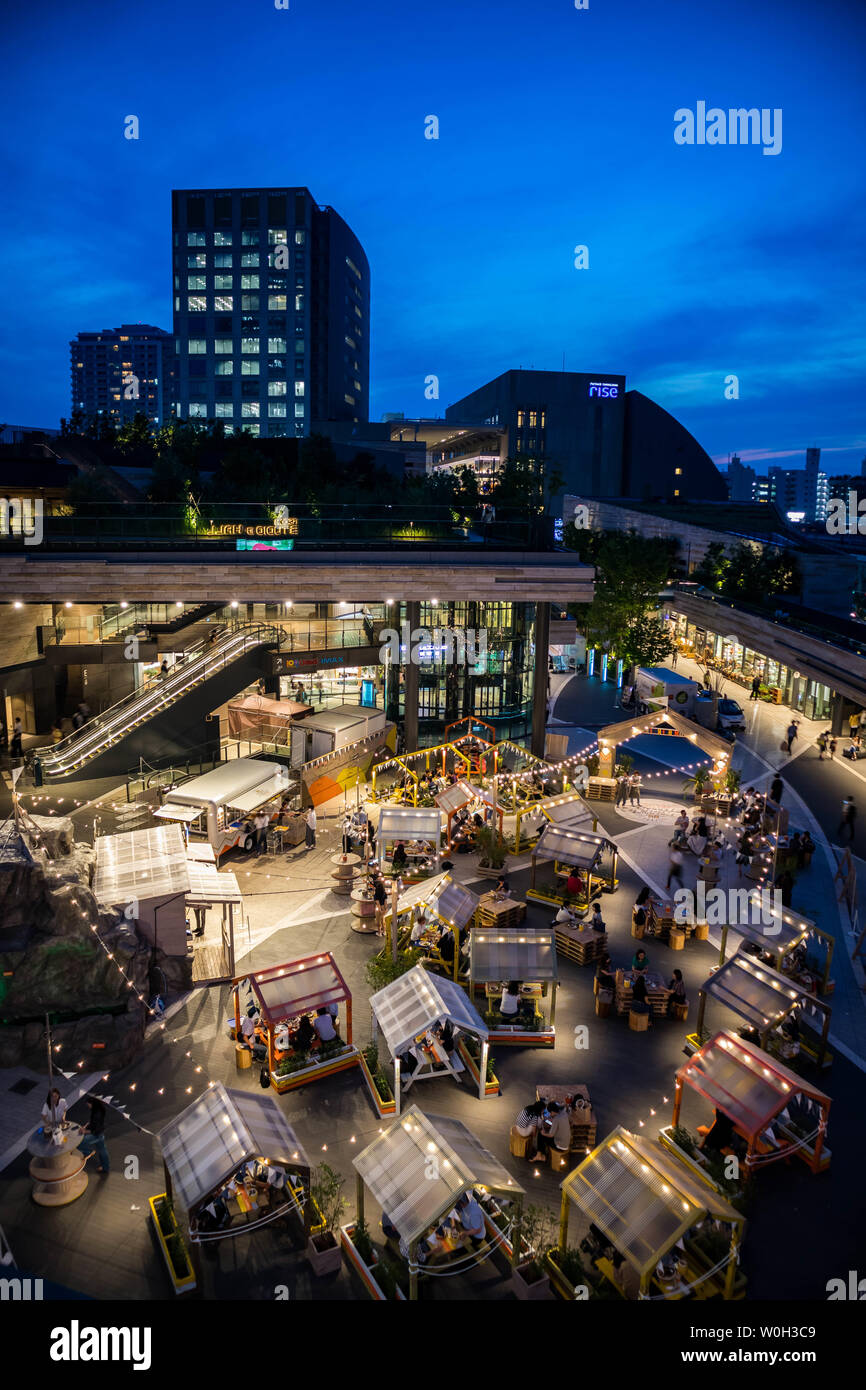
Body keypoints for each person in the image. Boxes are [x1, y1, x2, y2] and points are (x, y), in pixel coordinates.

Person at [78, 1096, 110, 1174]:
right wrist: (85, 1126)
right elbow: (92, 1121)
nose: (87, 1106)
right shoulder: (98, 1109)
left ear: (92, 1103)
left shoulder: (97, 1114)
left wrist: (84, 1131)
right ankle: (105, 1168)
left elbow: (95, 1131)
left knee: (80, 1143)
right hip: (100, 1133)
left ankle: (89, 1152)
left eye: (88, 1104)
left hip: (97, 1135)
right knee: (102, 1150)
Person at [372, 872, 388, 937]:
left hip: (379, 908)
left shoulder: (376, 895)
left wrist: (380, 909)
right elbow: (385, 902)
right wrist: (385, 909)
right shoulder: (384, 893)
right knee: (383, 919)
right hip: (384, 907)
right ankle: (384, 931)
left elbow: (377, 903)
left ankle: (379, 933)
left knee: (378, 921)